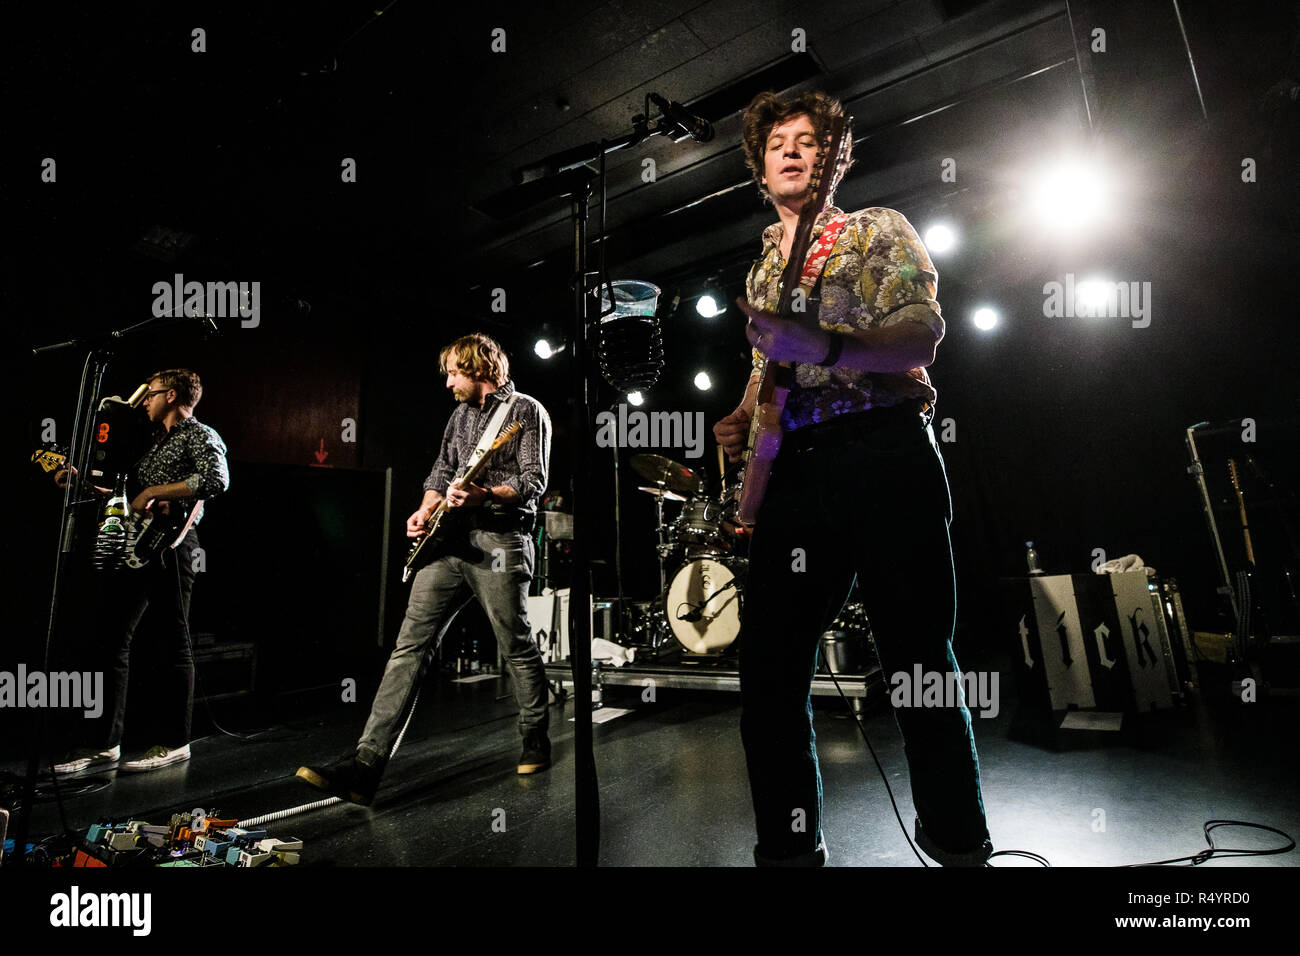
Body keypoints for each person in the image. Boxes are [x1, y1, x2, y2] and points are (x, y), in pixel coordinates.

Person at [713, 90, 992, 866]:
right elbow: (771, 382)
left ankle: (960, 841)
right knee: (768, 671)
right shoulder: (766, 264)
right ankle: (789, 851)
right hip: (799, 474)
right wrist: (743, 440)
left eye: (811, 141)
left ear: (836, 158)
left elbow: (921, 335)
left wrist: (824, 344)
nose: (794, 151)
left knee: (918, 660)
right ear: (759, 165)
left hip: (884, 452)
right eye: (779, 144)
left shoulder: (877, 228)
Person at [297, 333, 553, 806]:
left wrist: (483, 495)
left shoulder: (525, 411)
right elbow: (440, 473)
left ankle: (535, 734)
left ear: (482, 368)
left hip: (500, 540)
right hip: (448, 542)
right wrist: (424, 508)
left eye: (455, 372)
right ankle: (366, 763)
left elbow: (533, 481)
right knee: (409, 646)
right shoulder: (457, 416)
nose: (449, 381)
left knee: (513, 641)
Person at [53, 368, 229, 774]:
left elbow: (216, 480)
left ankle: (174, 742)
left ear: (172, 395)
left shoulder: (199, 434)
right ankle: (103, 744)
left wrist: (152, 492)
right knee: (110, 638)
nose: (145, 401)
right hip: (137, 547)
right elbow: (130, 499)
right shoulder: (154, 444)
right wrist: (83, 485)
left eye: (151, 394)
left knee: (172, 642)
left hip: (172, 547)